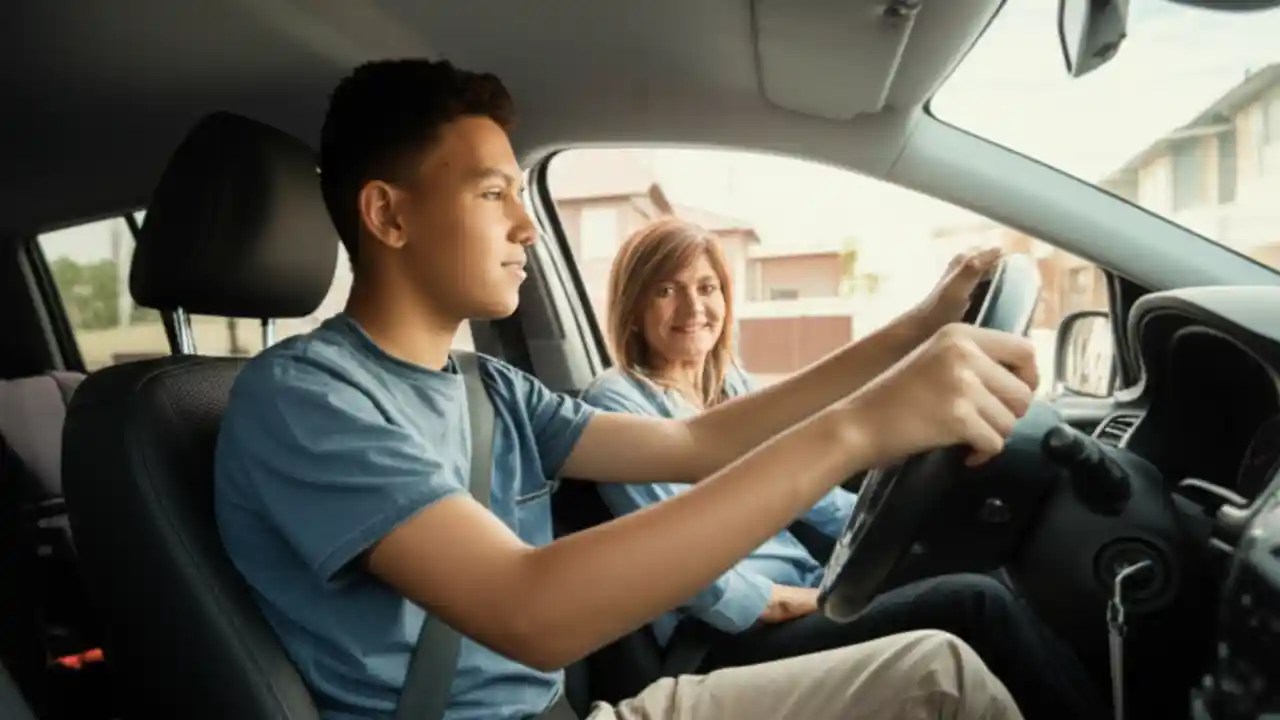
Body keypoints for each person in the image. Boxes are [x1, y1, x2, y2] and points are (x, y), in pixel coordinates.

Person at [214, 58, 1034, 720]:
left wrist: (913, 333)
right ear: (388, 218)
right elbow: (527, 611)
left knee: (940, 673)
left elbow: (693, 442)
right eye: (493, 193)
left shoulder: (488, 387)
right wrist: (857, 430)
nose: (526, 223)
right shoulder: (306, 400)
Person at [580, 218, 1107, 720]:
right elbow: (675, 569)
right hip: (730, 636)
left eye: (707, 287)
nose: (694, 306)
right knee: (977, 604)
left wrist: (888, 519)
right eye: (667, 290)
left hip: (806, 590)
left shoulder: (729, 388)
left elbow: (814, 490)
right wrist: (804, 601)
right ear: (633, 306)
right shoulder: (617, 402)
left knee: (978, 570)